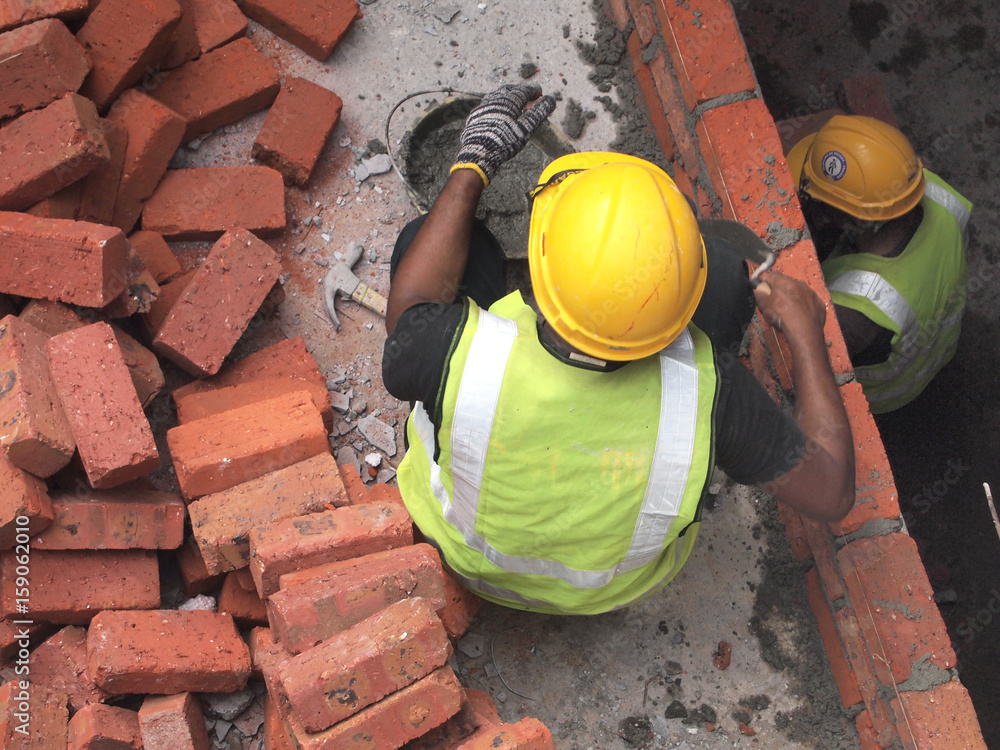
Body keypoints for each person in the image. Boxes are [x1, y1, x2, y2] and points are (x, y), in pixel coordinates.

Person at [381, 83, 854, 615]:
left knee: (429, 238)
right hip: (599, 593)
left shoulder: (453, 354)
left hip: (466, 560)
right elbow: (833, 492)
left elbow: (411, 304)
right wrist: (805, 333)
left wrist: (471, 167)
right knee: (722, 270)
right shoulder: (713, 399)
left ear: (537, 277)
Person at [787, 115, 972, 414]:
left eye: (820, 204)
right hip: (940, 343)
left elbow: (806, 362)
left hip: (889, 395)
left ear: (857, 221)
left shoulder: (857, 310)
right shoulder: (925, 191)